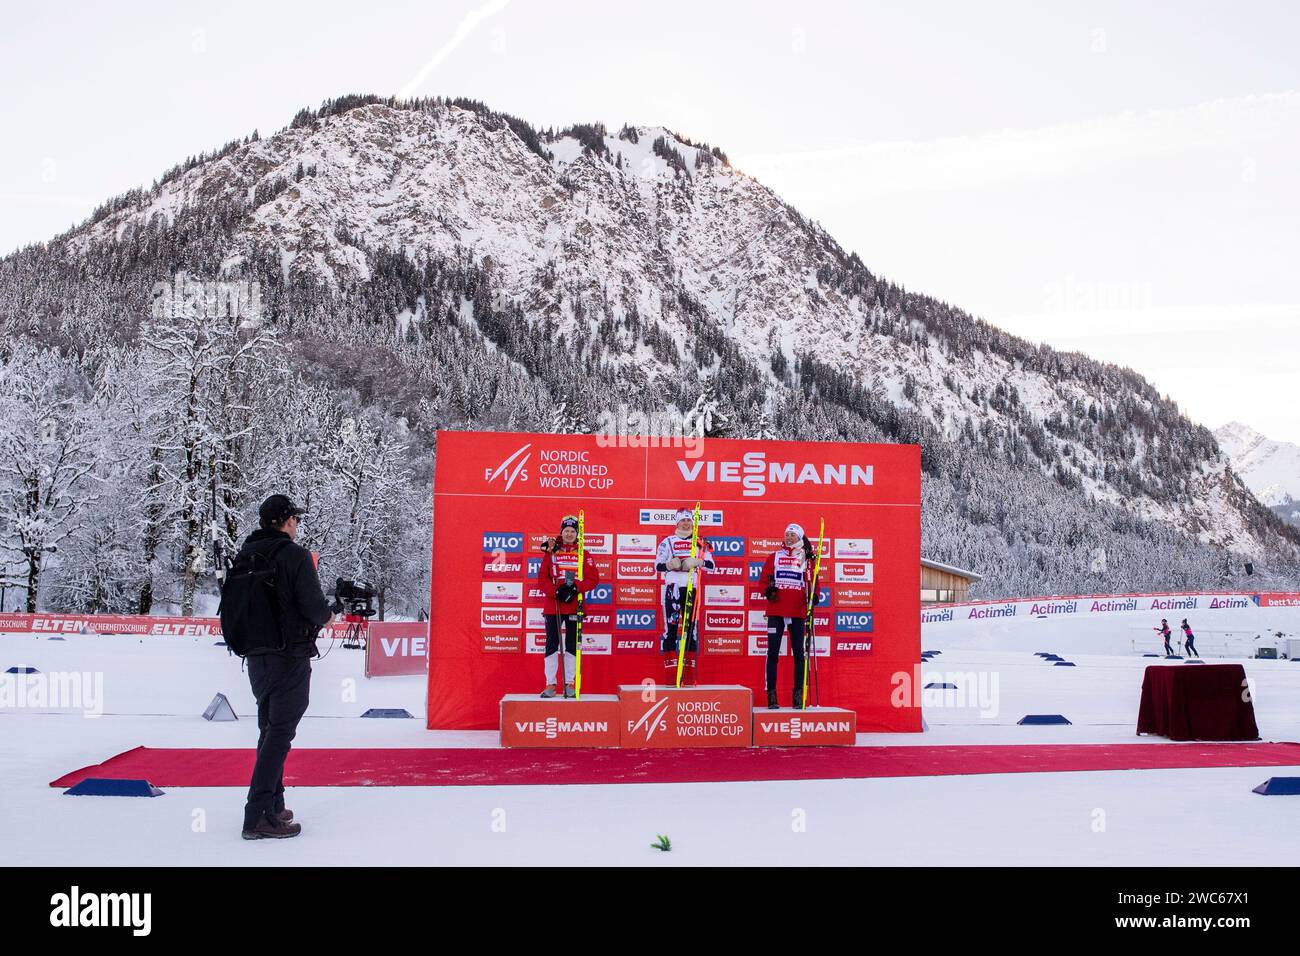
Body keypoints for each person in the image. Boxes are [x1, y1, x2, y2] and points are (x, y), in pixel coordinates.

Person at [237, 494, 334, 840]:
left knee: (269, 730)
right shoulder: (294, 555)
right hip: (289, 656)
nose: (297, 524)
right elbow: (313, 607)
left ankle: (274, 805)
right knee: (279, 734)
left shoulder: (246, 553)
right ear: (288, 521)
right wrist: (328, 615)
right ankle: (258, 814)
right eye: (295, 518)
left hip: (256, 657)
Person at [537, 515, 599, 698]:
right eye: (566, 531)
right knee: (551, 644)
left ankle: (569, 684)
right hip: (553, 605)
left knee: (572, 645)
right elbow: (542, 579)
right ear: (561, 532)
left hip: (574, 604)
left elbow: (593, 578)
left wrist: (576, 587)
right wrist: (556, 591)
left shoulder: (583, 554)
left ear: (577, 534)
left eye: (573, 531)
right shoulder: (551, 552)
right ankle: (550, 684)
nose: (569, 534)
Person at [656, 507, 716, 685]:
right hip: (673, 588)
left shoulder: (700, 542)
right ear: (677, 522)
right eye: (682, 520)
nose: (686, 523)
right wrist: (669, 564)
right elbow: (657, 566)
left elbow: (711, 565)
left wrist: (698, 561)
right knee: (671, 631)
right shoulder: (667, 542)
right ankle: (671, 678)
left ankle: (689, 678)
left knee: (691, 631)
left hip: (692, 589)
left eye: (689, 520)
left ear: (693, 522)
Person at [760, 523, 815, 709]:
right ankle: (772, 696)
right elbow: (763, 581)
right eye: (787, 534)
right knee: (773, 653)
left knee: (799, 654)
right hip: (776, 610)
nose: (789, 537)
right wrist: (768, 591)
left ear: (800, 537)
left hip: (797, 611)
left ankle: (799, 696)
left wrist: (813, 595)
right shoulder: (774, 557)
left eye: (793, 535)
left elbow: (811, 581)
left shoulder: (806, 558)